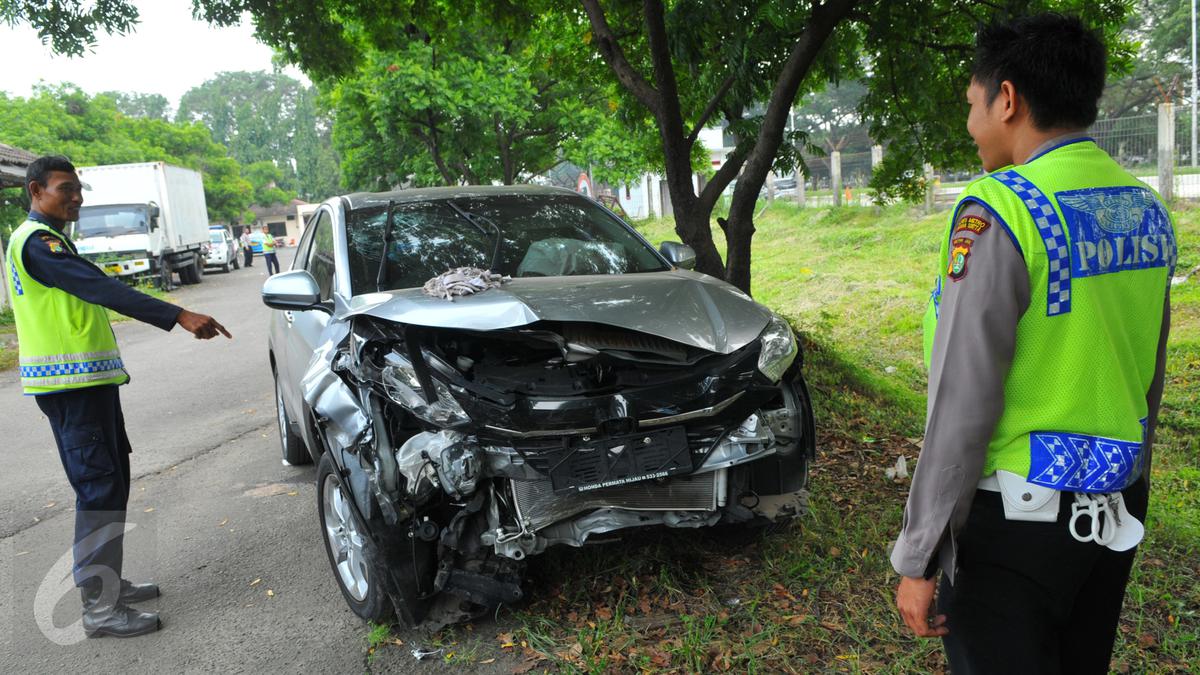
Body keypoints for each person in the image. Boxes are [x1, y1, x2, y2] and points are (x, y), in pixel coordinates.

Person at [891, 14, 1174, 674]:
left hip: (1014, 527)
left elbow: (964, 401)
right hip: (1114, 514)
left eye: (971, 104)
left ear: (1008, 99)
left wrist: (921, 553)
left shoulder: (998, 211)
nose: (969, 123)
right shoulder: (1143, 208)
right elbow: (1148, 376)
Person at [5, 156, 232, 638]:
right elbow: (98, 288)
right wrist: (178, 315)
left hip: (87, 385)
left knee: (112, 482)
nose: (77, 198)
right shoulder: (38, 243)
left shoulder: (52, 241)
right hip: (72, 390)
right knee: (99, 489)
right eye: (65, 189)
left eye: (78, 188)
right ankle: (100, 608)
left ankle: (106, 583)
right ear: (35, 190)